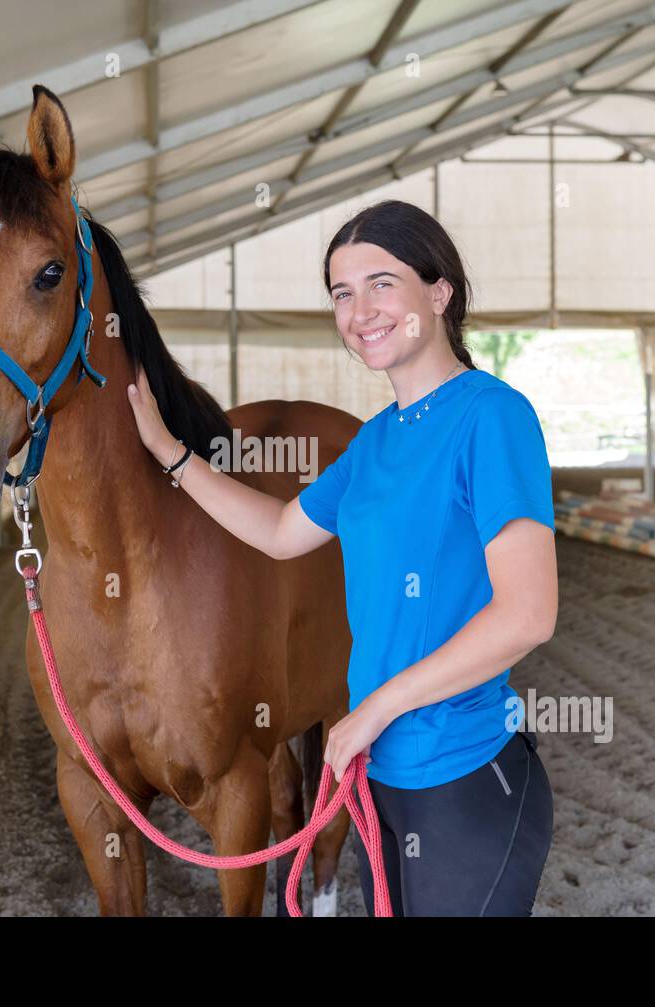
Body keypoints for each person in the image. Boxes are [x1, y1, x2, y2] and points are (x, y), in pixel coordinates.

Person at [126, 199, 557, 917]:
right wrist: (170, 453)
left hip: (465, 772)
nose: (361, 309)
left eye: (382, 283)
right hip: (380, 773)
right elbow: (280, 531)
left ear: (439, 291)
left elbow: (527, 612)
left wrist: (368, 712)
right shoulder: (375, 441)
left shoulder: (493, 417)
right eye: (341, 292)